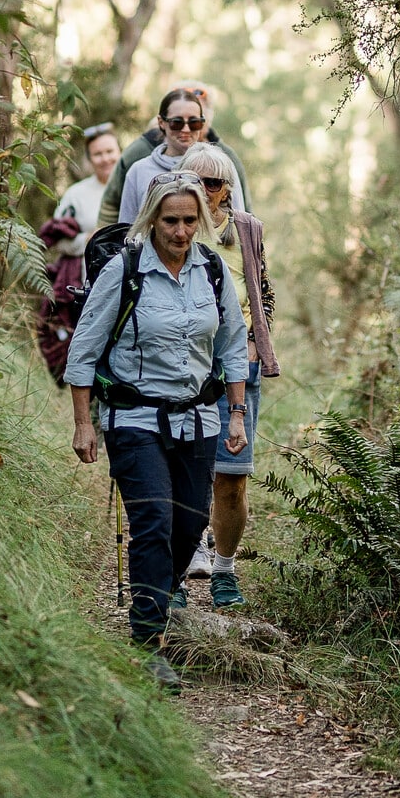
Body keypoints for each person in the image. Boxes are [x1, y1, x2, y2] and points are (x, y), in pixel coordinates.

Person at [65, 173, 249, 690]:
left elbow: (233, 344)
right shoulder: (125, 270)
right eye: (171, 220)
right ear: (151, 219)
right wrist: (84, 423)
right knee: (154, 524)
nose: (182, 230)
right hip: (135, 419)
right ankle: (147, 645)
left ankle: (158, 609)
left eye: (191, 220)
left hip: (199, 419)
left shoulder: (211, 270)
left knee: (190, 530)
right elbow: (83, 349)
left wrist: (236, 413)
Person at [176, 144, 279, 611]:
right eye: (193, 182)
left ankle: (223, 569)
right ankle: (175, 569)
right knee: (181, 473)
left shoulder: (247, 230)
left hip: (237, 367)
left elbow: (263, 294)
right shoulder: (172, 229)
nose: (202, 191)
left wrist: (257, 344)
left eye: (212, 183)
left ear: (226, 190)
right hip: (179, 369)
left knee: (231, 478)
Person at [96, 81, 253, 229]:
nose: (185, 129)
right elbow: (125, 226)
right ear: (161, 122)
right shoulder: (139, 165)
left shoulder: (224, 162)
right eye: (177, 122)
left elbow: (242, 220)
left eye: (194, 123)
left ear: (203, 122)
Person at [36, 125, 121, 385]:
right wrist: (89, 238)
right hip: (88, 280)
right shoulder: (77, 194)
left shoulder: (134, 186)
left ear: (120, 152)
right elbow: (59, 241)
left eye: (110, 151)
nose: (105, 158)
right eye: (98, 154)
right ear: (89, 159)